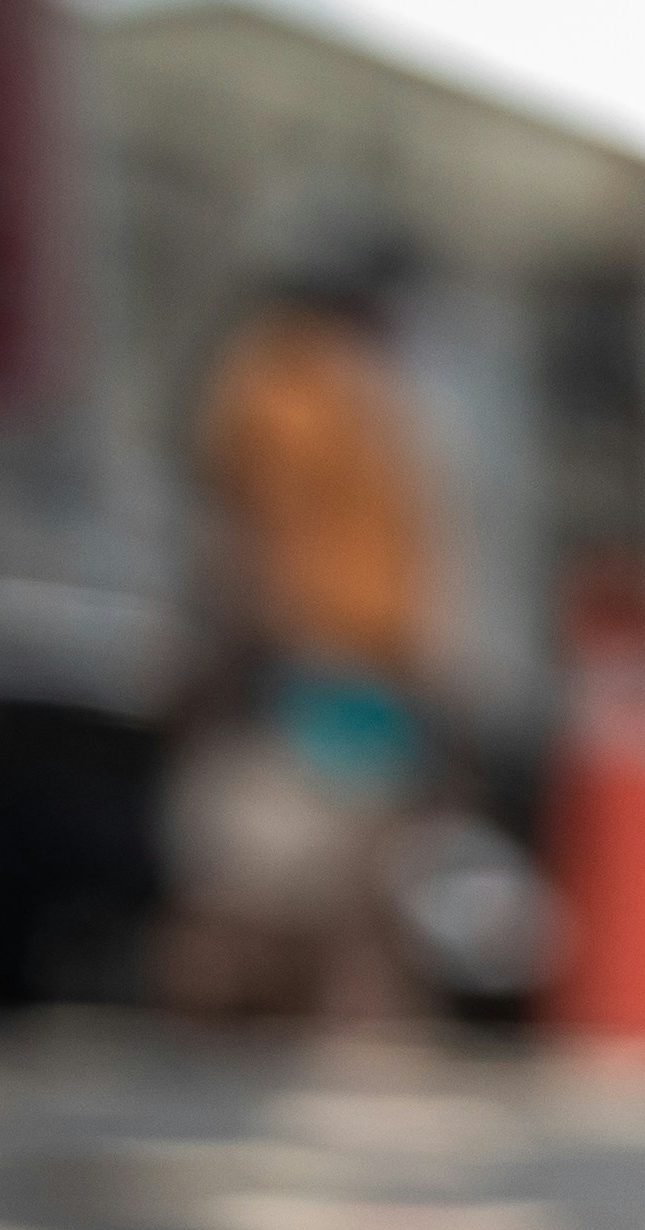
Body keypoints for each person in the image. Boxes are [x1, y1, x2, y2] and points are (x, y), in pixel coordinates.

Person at [160, 258, 441, 1025]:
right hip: (314, 649)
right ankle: (269, 1008)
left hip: (348, 651)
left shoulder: (332, 390)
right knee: (283, 858)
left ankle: (344, 1011)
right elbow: (251, 530)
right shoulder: (288, 386)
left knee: (338, 849)